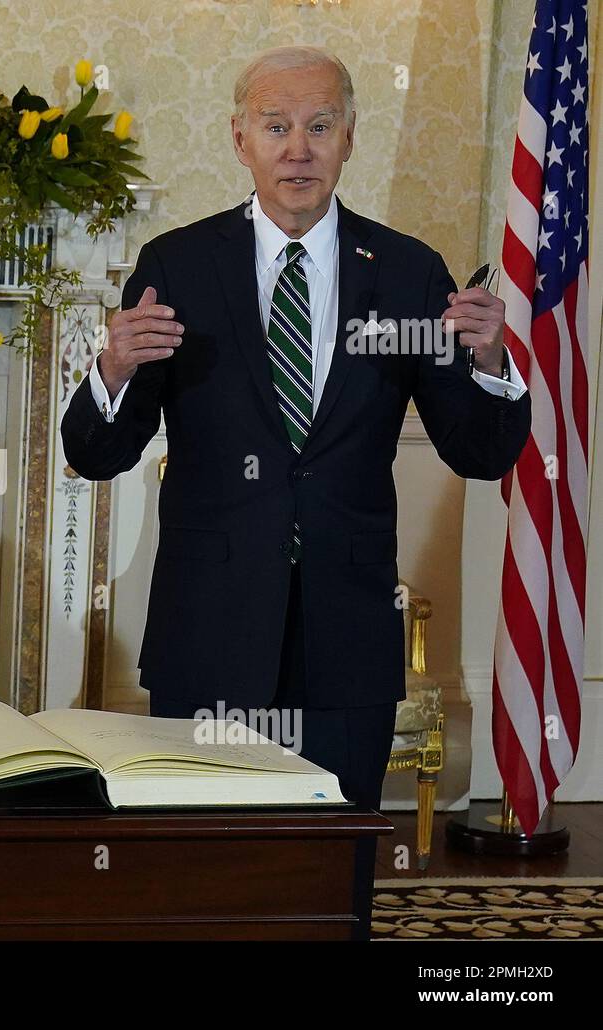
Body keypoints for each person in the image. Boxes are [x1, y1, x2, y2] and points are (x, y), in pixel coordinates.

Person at [60, 46, 531, 939]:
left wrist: (491, 362)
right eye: (277, 128)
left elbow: (478, 450)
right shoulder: (180, 265)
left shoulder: (406, 271)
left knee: (329, 879)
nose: (298, 149)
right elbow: (97, 454)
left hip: (343, 633)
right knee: (206, 876)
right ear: (241, 139)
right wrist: (113, 369)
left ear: (349, 137)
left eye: (319, 127)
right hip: (210, 629)